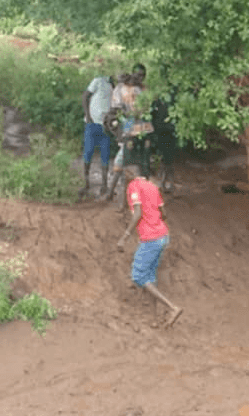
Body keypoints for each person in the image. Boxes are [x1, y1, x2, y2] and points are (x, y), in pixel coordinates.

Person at [115, 165, 183, 328]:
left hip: (150, 238)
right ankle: (154, 318)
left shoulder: (133, 186)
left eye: (124, 175)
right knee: (150, 277)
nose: (124, 179)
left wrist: (124, 237)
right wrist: (153, 219)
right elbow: (164, 213)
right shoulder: (153, 187)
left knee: (138, 276)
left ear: (129, 174)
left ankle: (172, 308)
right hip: (163, 236)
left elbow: (138, 213)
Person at [104, 65, 153, 201]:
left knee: (143, 161)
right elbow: (116, 110)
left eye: (142, 75)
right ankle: (115, 193)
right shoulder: (122, 88)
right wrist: (122, 126)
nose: (140, 78)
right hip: (130, 125)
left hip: (144, 128)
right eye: (138, 75)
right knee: (124, 157)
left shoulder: (144, 89)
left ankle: (137, 196)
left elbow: (149, 109)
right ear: (132, 74)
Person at [79, 74, 114, 198]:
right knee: (88, 152)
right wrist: (88, 116)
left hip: (105, 126)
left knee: (105, 154)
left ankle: (104, 185)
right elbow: (85, 96)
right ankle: (86, 182)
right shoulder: (99, 80)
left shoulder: (114, 86)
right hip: (93, 123)